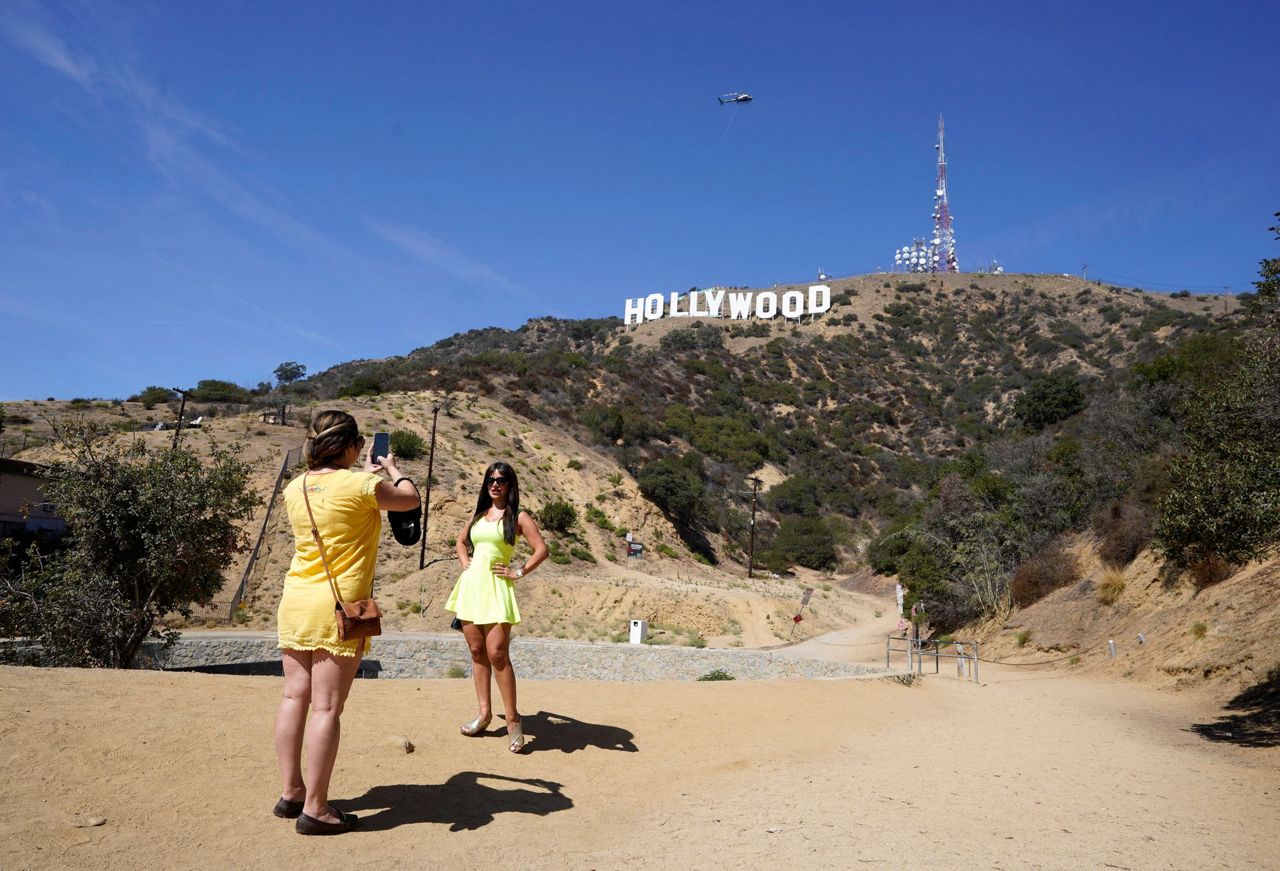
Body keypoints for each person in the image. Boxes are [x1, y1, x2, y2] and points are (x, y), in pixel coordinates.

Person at [272, 410, 419, 835]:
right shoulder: (361, 486)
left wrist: (365, 475)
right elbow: (409, 499)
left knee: (293, 698)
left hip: (296, 601)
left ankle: (292, 792)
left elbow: (332, 501)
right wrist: (391, 468)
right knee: (326, 708)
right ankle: (316, 809)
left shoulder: (295, 487)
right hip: (338, 608)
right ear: (353, 446)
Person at [447, 461, 548, 753]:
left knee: (498, 654)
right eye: (491, 479)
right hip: (471, 588)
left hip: (496, 588)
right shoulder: (479, 514)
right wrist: (465, 561)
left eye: (501, 480)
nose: (495, 484)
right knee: (477, 651)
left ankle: (513, 720)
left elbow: (542, 549)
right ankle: (484, 714)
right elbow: (460, 541)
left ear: (509, 485)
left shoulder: (518, 516)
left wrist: (518, 572)